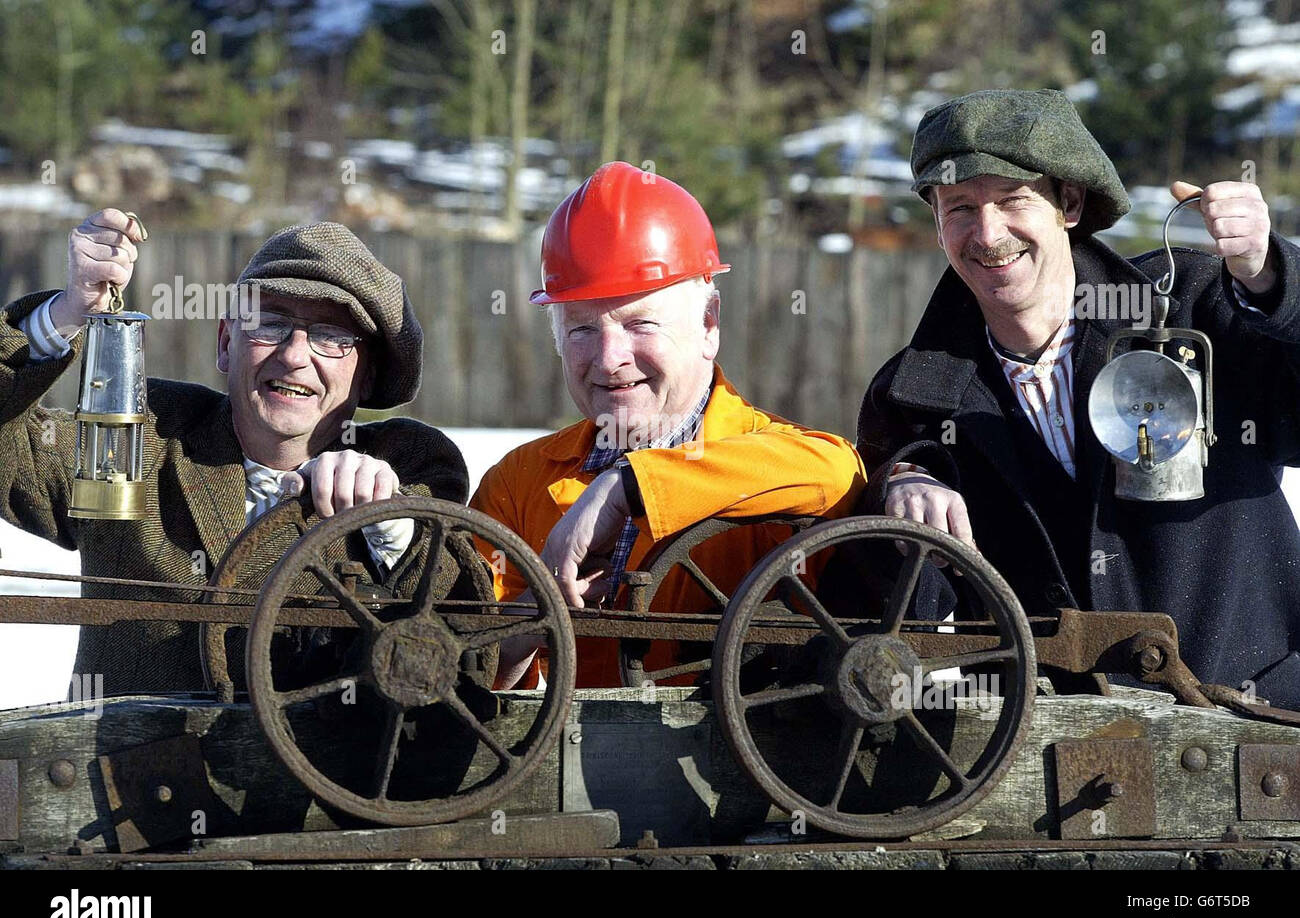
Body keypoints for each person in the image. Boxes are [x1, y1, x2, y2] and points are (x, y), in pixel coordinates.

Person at [857, 88, 1300, 706]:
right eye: (959, 207)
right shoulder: (910, 395)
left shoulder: (1196, 308)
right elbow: (897, 623)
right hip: (1059, 764)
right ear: (935, 221)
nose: (987, 234)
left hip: (1260, 727)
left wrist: (1270, 276)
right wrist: (895, 499)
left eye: (1012, 200)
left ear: (1068, 202)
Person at [0, 209, 469, 693]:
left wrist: (392, 525)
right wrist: (62, 317)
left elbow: (467, 648)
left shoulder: (413, 466)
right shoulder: (139, 434)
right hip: (128, 766)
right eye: (269, 324)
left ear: (367, 374)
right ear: (226, 342)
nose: (293, 355)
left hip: (314, 770)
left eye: (332, 338)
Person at [471, 162, 867, 688]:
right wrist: (533, 617)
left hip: (736, 768)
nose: (609, 358)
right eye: (582, 329)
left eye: (641, 323)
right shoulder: (518, 483)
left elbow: (841, 472)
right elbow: (465, 674)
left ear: (709, 325)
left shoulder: (773, 459)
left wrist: (629, 485)